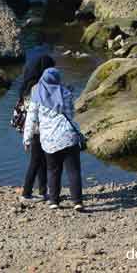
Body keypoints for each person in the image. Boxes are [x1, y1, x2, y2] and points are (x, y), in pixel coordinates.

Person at [23, 67, 84, 211]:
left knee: (53, 170)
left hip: (50, 139)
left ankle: (54, 201)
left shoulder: (37, 95)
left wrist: (27, 139)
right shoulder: (65, 93)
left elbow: (31, 119)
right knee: (73, 171)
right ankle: (77, 202)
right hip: (69, 136)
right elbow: (71, 114)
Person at [15, 53, 55, 202]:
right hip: (39, 129)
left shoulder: (27, 85)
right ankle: (26, 193)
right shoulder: (38, 87)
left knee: (40, 161)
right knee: (37, 161)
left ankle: (43, 191)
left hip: (32, 129)